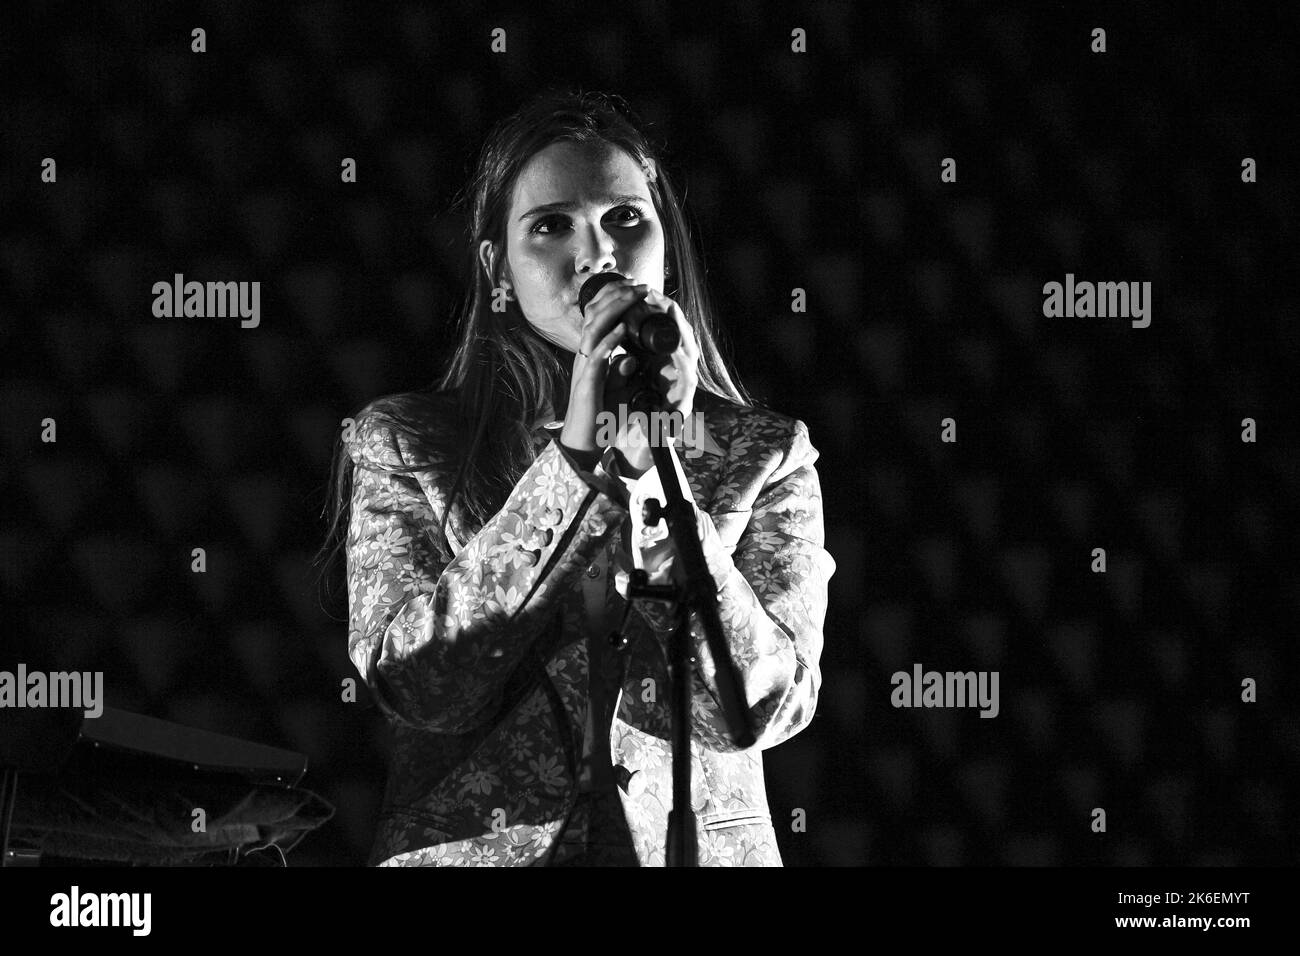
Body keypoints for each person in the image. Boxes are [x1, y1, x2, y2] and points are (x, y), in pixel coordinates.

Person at [318, 89, 835, 866]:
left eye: (625, 218)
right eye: (550, 225)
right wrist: (575, 467)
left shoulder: (764, 453)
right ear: (499, 264)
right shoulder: (405, 443)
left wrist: (656, 475)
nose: (595, 253)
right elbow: (421, 686)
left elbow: (762, 707)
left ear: (666, 240)